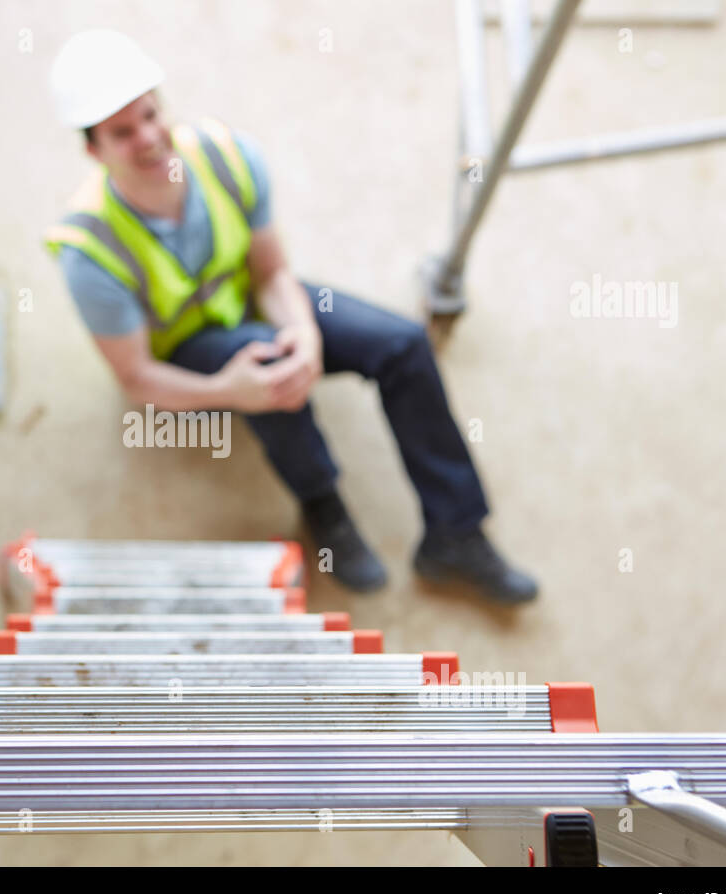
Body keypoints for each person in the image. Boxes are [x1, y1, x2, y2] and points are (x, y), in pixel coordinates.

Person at [43, 29, 537, 603]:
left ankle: (456, 532)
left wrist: (304, 331)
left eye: (152, 115)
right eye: (122, 133)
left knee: (401, 344)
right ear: (93, 151)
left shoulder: (229, 159)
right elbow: (135, 378)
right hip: (187, 352)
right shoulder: (90, 252)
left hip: (255, 303)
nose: (150, 138)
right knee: (269, 366)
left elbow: (273, 273)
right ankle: (323, 504)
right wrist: (229, 390)